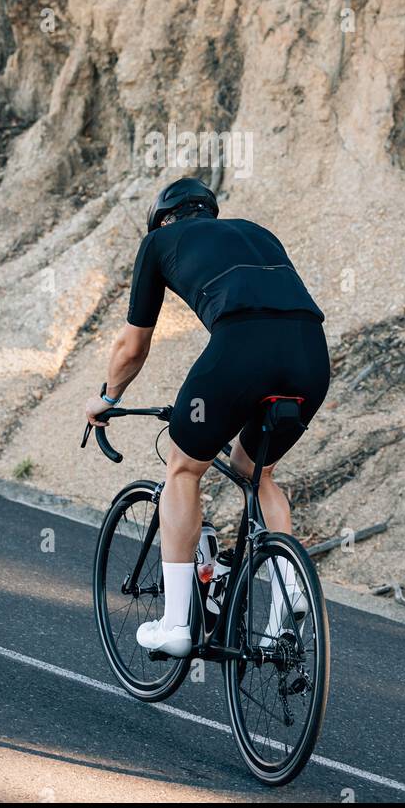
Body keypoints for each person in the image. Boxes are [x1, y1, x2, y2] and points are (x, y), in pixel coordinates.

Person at [84, 177, 330, 657]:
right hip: (310, 356)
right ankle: (288, 588)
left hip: (241, 350)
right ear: (210, 213)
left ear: (163, 219)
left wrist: (107, 398)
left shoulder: (158, 243)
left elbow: (133, 346)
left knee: (182, 468)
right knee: (255, 472)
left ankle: (176, 625)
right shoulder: (257, 232)